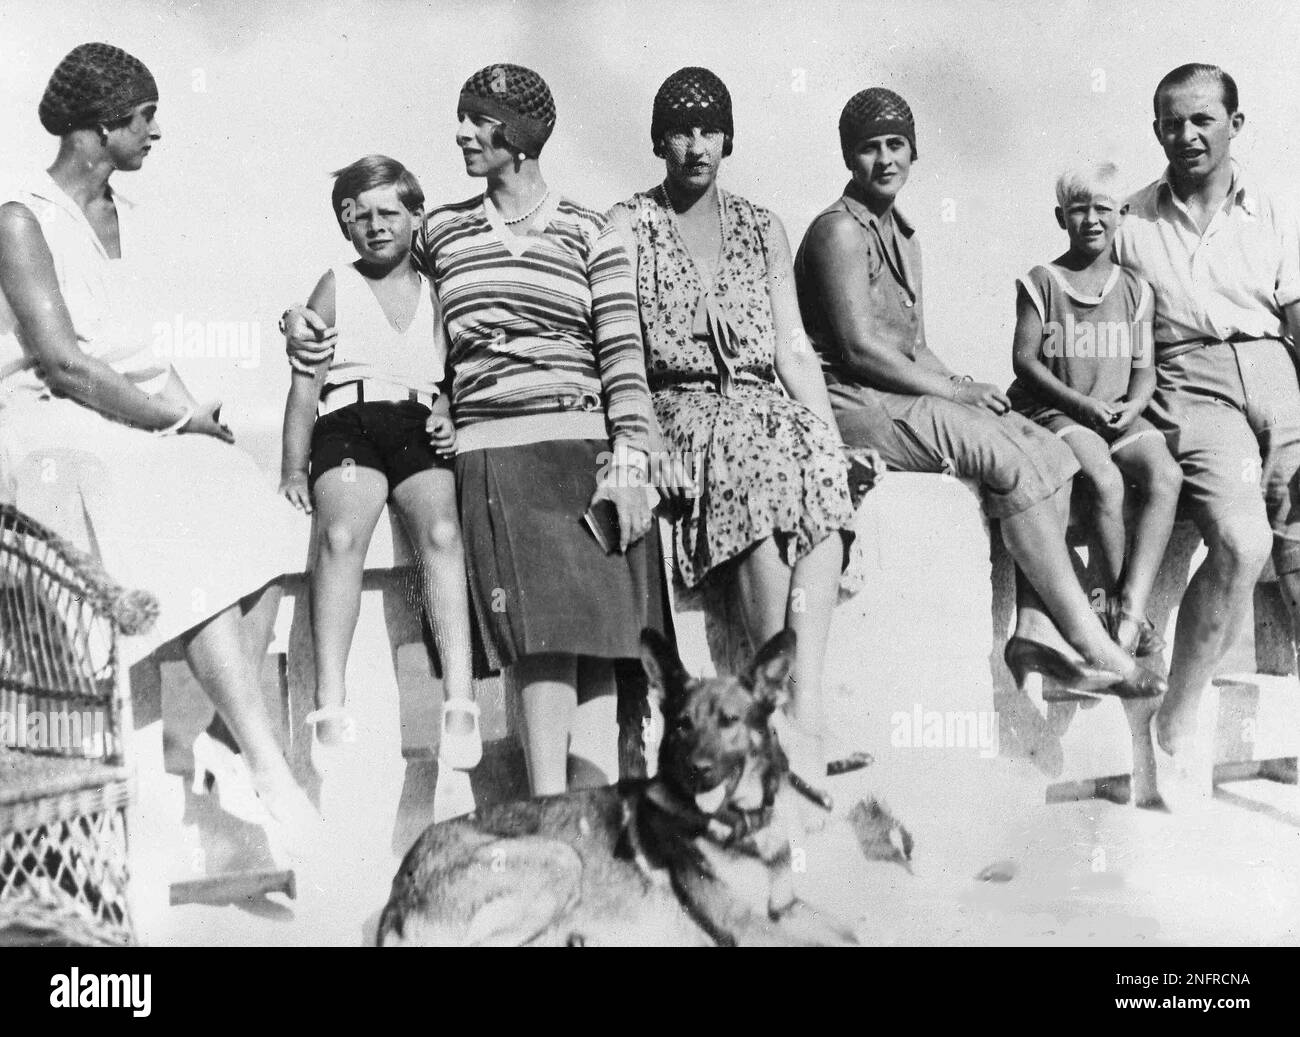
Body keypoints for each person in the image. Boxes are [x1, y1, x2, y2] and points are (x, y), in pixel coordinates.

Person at [286, 64, 664, 797]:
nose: (459, 133)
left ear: (518, 138)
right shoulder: (444, 231)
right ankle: (551, 807)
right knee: (543, 638)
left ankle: (594, 813)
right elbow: (374, 277)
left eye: (476, 120)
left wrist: (632, 456)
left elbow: (623, 356)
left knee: (601, 642)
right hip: (494, 454)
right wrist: (298, 322)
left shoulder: (596, 233)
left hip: (584, 448)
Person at [0, 43, 317, 853]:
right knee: (177, 503)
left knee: (247, 494)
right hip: (44, 426)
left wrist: (193, 419)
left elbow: (140, 354)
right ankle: (269, 765)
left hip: (116, 416)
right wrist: (163, 422)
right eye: (145, 118)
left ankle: (214, 736)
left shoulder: (123, 217)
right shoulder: (19, 216)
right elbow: (66, 363)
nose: (156, 133)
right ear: (103, 126)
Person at [793, 86, 1166, 703]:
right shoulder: (839, 232)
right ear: (847, 156)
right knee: (1005, 459)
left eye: (896, 145)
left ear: (913, 151)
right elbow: (859, 350)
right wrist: (950, 393)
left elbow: (913, 344)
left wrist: (964, 386)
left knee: (1048, 448)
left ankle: (1033, 629)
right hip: (853, 402)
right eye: (868, 149)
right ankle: (1096, 646)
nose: (884, 160)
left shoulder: (902, 234)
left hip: (895, 391)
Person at [606, 67, 872, 781]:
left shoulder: (762, 226)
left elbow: (792, 348)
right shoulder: (632, 223)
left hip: (762, 403)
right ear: (659, 140)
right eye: (682, 132)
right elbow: (623, 345)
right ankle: (781, 710)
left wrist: (830, 438)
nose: (697, 146)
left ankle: (801, 696)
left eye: (710, 131)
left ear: (729, 138)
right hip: (683, 407)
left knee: (817, 464)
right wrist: (644, 437)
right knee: (759, 463)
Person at [1114, 63, 1300, 800]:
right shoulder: (1128, 220)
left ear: (1235, 124)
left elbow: (1295, 316)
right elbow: (1094, 321)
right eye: (1171, 121)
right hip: (1191, 382)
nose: (1186, 134)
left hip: (1276, 370)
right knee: (1243, 538)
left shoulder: (1277, 205)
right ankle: (1177, 719)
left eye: (1202, 119)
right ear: (1156, 127)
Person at [279, 154, 480, 783]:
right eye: (359, 215)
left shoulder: (441, 292)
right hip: (349, 423)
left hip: (417, 423)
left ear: (416, 216)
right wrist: (290, 469)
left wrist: (448, 410)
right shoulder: (336, 283)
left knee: (444, 535)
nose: (375, 225)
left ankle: (460, 702)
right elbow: (306, 387)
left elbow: (455, 376)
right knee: (339, 537)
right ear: (345, 224)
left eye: (389, 212)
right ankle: (330, 705)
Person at [1007, 161, 1183, 658]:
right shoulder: (1043, 280)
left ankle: (1130, 603)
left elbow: (1144, 368)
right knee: (1104, 480)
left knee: (1164, 476)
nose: (1090, 220)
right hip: (1058, 409)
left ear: (1122, 214)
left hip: (1113, 411)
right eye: (1077, 210)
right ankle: (1107, 605)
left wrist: (1135, 406)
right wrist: (1080, 405)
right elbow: (1024, 361)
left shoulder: (1135, 289)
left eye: (1102, 209)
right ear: (1061, 217)